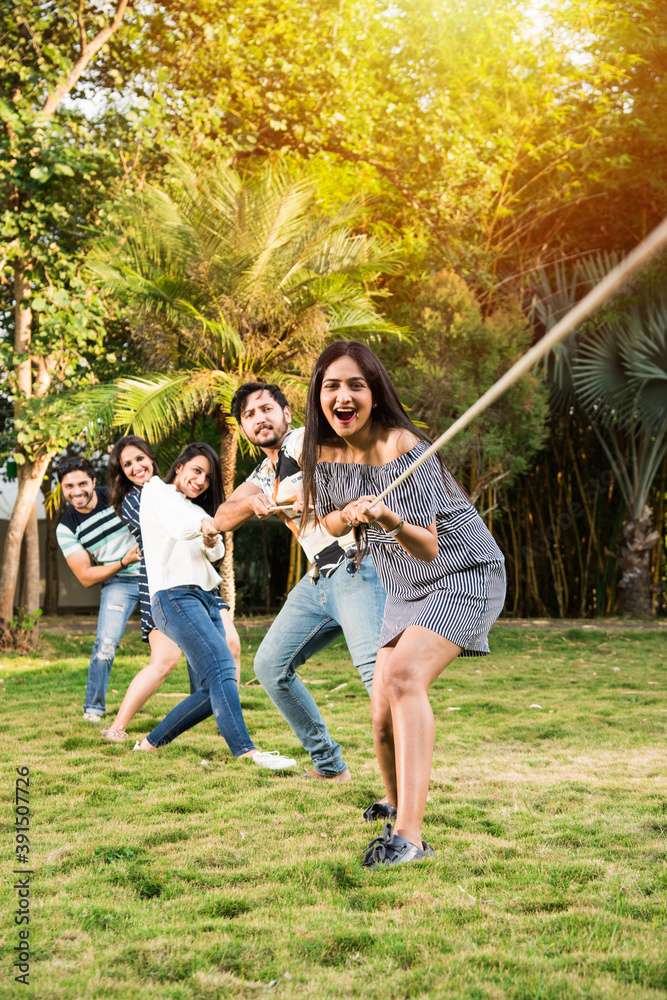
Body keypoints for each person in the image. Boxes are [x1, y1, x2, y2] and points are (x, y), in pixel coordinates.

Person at [301, 341, 506, 867]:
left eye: (356, 385)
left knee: (402, 678)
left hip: (463, 571)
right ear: (318, 395)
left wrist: (389, 519)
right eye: (331, 385)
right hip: (405, 584)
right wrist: (349, 514)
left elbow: (429, 544)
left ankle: (408, 838)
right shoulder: (323, 455)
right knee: (379, 708)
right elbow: (325, 524)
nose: (342, 396)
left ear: (375, 393)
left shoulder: (402, 446)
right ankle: (393, 799)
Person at [212, 383, 386, 781]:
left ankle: (405, 794)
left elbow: (353, 461)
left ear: (287, 413)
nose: (260, 418)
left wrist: (322, 488)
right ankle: (328, 766)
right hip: (318, 579)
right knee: (270, 666)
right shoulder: (265, 471)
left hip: (357, 563)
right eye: (250, 415)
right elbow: (223, 516)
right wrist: (250, 502)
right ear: (243, 428)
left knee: (378, 677)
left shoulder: (306, 440)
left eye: (266, 408)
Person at [133, 442, 295, 771]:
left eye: (208, 477)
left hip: (204, 595)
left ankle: (150, 744)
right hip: (174, 595)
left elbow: (216, 552)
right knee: (222, 666)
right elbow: (178, 527)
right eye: (196, 470)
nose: (201, 480)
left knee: (214, 687)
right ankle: (246, 752)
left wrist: (209, 536)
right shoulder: (156, 491)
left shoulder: (199, 510)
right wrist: (203, 529)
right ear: (178, 467)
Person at [99, 435, 242, 742]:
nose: (136, 467)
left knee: (230, 646)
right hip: (164, 581)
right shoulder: (141, 497)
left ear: (152, 458)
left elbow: (209, 542)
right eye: (127, 464)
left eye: (140, 458)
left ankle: (224, 720)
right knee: (165, 661)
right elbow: (175, 526)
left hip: (200, 579)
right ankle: (117, 726)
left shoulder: (181, 497)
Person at [55, 455, 142, 721]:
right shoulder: (67, 527)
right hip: (119, 581)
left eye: (82, 483)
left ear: (93, 481)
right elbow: (86, 576)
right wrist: (123, 561)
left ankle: (203, 700)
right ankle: (93, 709)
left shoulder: (116, 495)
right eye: (69, 486)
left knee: (187, 639)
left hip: (155, 573)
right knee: (105, 644)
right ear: (62, 489)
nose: (76, 491)